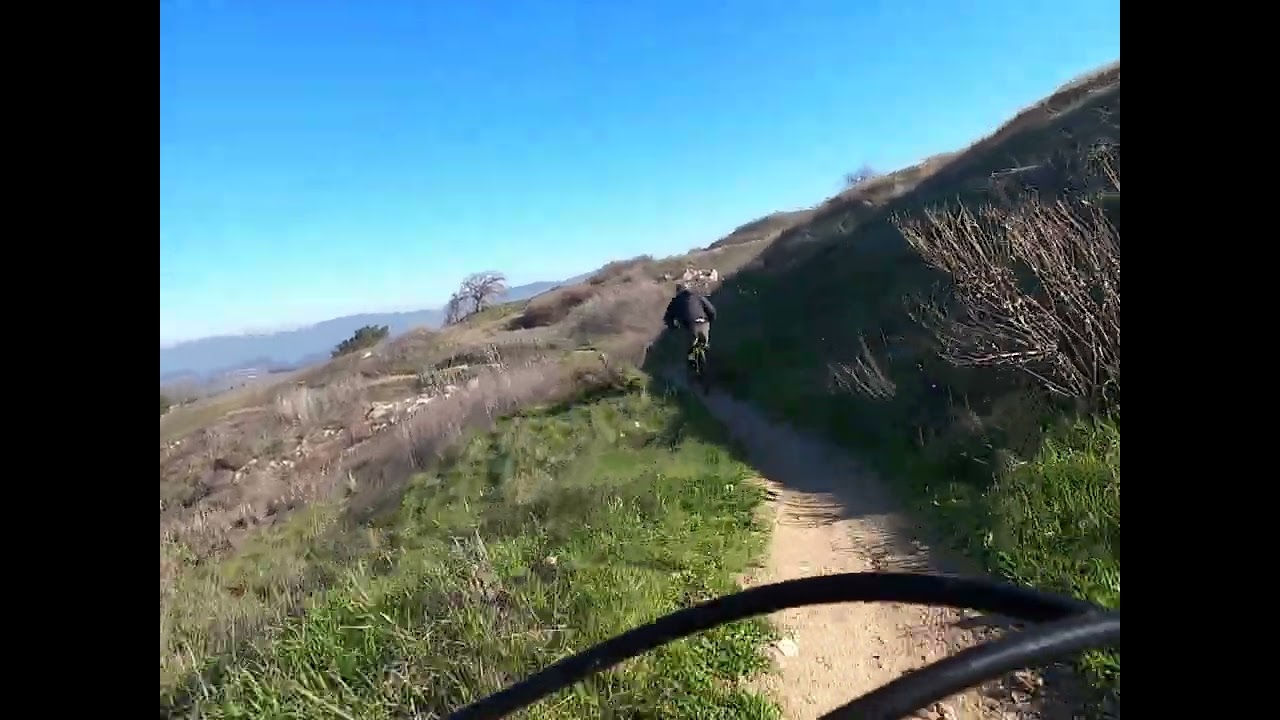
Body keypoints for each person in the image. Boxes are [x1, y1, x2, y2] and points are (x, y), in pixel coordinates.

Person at [662, 283, 717, 355]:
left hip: (691, 325)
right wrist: (712, 319)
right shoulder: (697, 296)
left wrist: (673, 327)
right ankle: (705, 355)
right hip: (703, 322)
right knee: (704, 344)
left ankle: (693, 360)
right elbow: (711, 309)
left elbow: (668, 317)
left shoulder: (675, 301)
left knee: (691, 348)